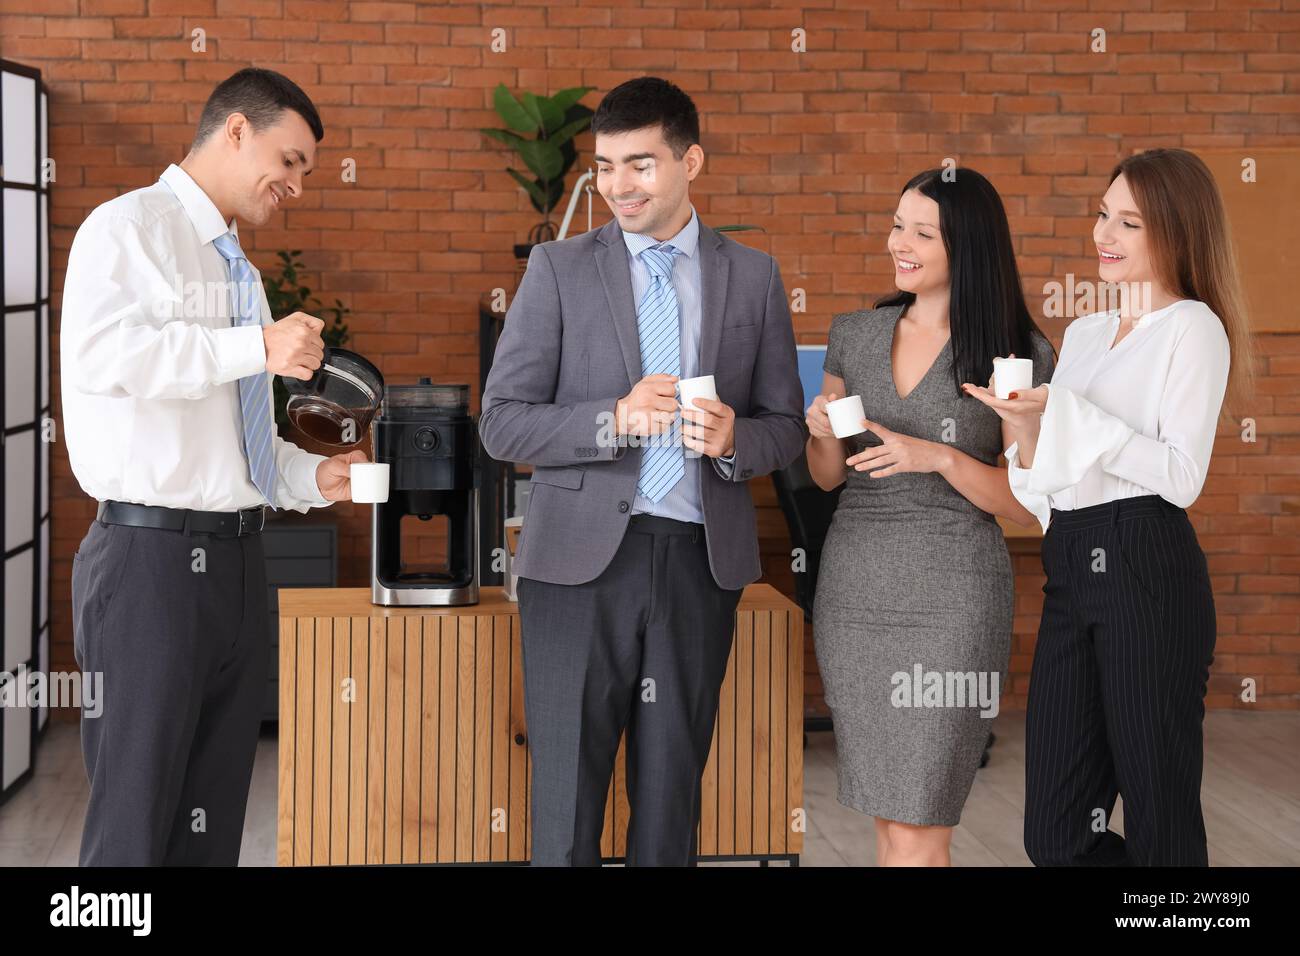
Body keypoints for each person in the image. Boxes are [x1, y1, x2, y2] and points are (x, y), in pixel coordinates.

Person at [478, 77, 806, 866]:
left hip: (699, 561)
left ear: (691, 160)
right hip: (575, 569)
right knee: (567, 799)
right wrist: (612, 419)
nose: (618, 186)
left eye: (641, 164)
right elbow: (500, 422)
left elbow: (786, 428)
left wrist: (734, 439)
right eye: (606, 167)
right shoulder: (558, 269)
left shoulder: (754, 277)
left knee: (670, 796)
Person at [61, 68, 366, 866]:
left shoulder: (241, 272)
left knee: (212, 817)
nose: (297, 184)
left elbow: (239, 436)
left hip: (235, 562)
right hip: (148, 565)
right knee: (134, 824)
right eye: (290, 160)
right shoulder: (126, 228)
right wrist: (253, 347)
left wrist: (311, 481)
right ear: (236, 129)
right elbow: (105, 357)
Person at [964, 147, 1254, 866]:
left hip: (1147, 560)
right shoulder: (1087, 334)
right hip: (1072, 556)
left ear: (1176, 233)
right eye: (1103, 214)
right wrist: (1028, 430)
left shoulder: (1195, 328)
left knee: (1159, 815)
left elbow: (1181, 476)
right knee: (1056, 833)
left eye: (1130, 222)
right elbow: (1055, 476)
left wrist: (1067, 414)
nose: (1105, 234)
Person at [805, 168, 1055, 866]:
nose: (899, 244)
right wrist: (821, 434)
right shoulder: (854, 334)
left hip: (953, 597)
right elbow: (828, 477)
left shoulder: (1018, 354)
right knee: (892, 823)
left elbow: (1028, 505)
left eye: (923, 232)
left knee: (922, 821)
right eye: (896, 225)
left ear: (968, 246)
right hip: (855, 591)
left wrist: (939, 458)